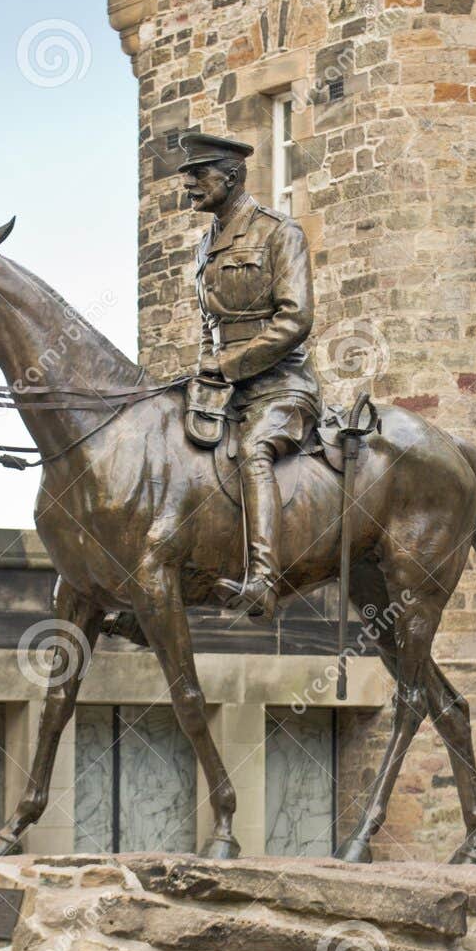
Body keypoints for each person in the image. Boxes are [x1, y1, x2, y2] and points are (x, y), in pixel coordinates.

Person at [180, 131, 322, 622]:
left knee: (254, 448)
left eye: (199, 175)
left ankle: (263, 579)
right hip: (224, 389)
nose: (190, 186)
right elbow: (210, 324)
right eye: (188, 177)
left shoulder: (280, 232)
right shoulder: (205, 246)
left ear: (233, 176)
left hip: (281, 387)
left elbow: (295, 320)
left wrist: (230, 364)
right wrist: (205, 367)